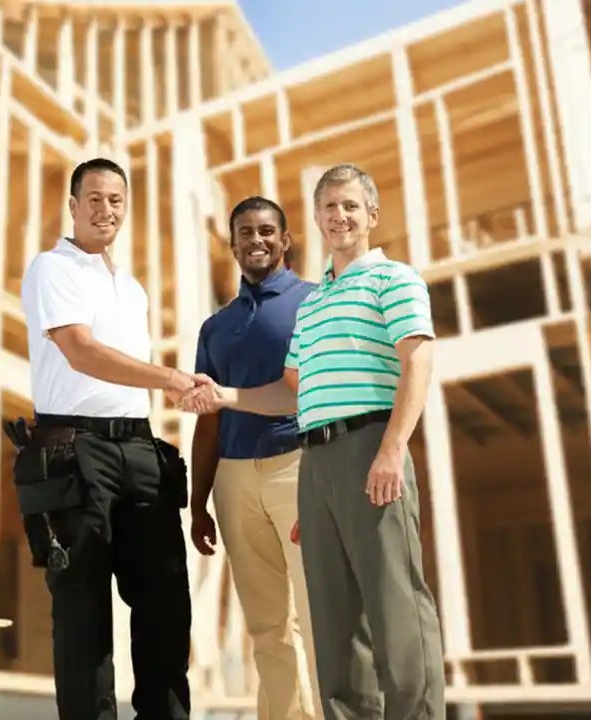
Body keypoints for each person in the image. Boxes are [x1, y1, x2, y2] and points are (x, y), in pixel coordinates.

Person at [180, 164, 447, 720]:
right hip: (317, 459)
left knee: (395, 604)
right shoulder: (318, 304)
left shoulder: (394, 278)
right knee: (333, 619)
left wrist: (393, 448)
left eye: (350, 206)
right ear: (318, 221)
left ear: (371, 215)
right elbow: (290, 390)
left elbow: (417, 361)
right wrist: (226, 398)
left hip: (369, 445)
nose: (339, 216)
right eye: (329, 207)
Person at [13, 157, 203, 720]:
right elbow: (80, 349)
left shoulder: (132, 287)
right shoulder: (51, 268)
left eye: (116, 199)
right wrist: (169, 378)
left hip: (139, 447)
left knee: (166, 606)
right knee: (83, 617)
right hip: (74, 452)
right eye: (93, 198)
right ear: (73, 207)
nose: (105, 210)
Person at [189, 196, 321, 720]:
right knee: (266, 624)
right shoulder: (214, 328)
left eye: (267, 231)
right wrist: (199, 502)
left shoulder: (316, 301)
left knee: (318, 611)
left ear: (285, 240)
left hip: (298, 465)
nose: (256, 240)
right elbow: (208, 418)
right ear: (233, 245)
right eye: (245, 232)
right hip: (234, 479)